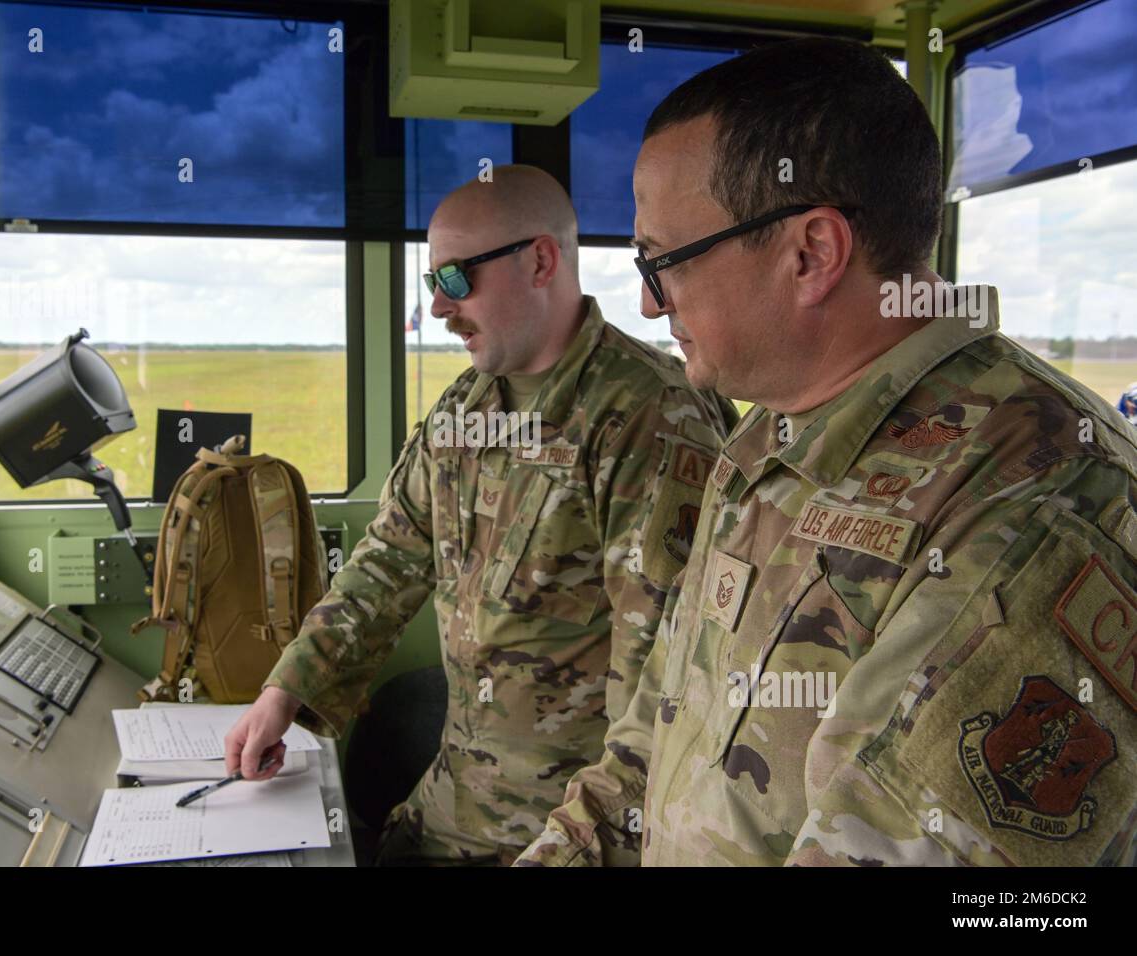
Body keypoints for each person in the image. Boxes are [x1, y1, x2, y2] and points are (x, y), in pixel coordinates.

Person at [518, 38, 1137, 867]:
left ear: (810, 253)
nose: (644, 297)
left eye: (661, 261)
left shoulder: (1043, 502)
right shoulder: (768, 438)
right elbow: (652, 741)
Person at [225, 165, 737, 864]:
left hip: (571, 831)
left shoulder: (649, 417)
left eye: (457, 279)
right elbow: (387, 564)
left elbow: (666, 681)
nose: (439, 307)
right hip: (454, 804)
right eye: (432, 283)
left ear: (540, 261)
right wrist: (287, 689)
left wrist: (588, 842)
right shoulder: (466, 408)